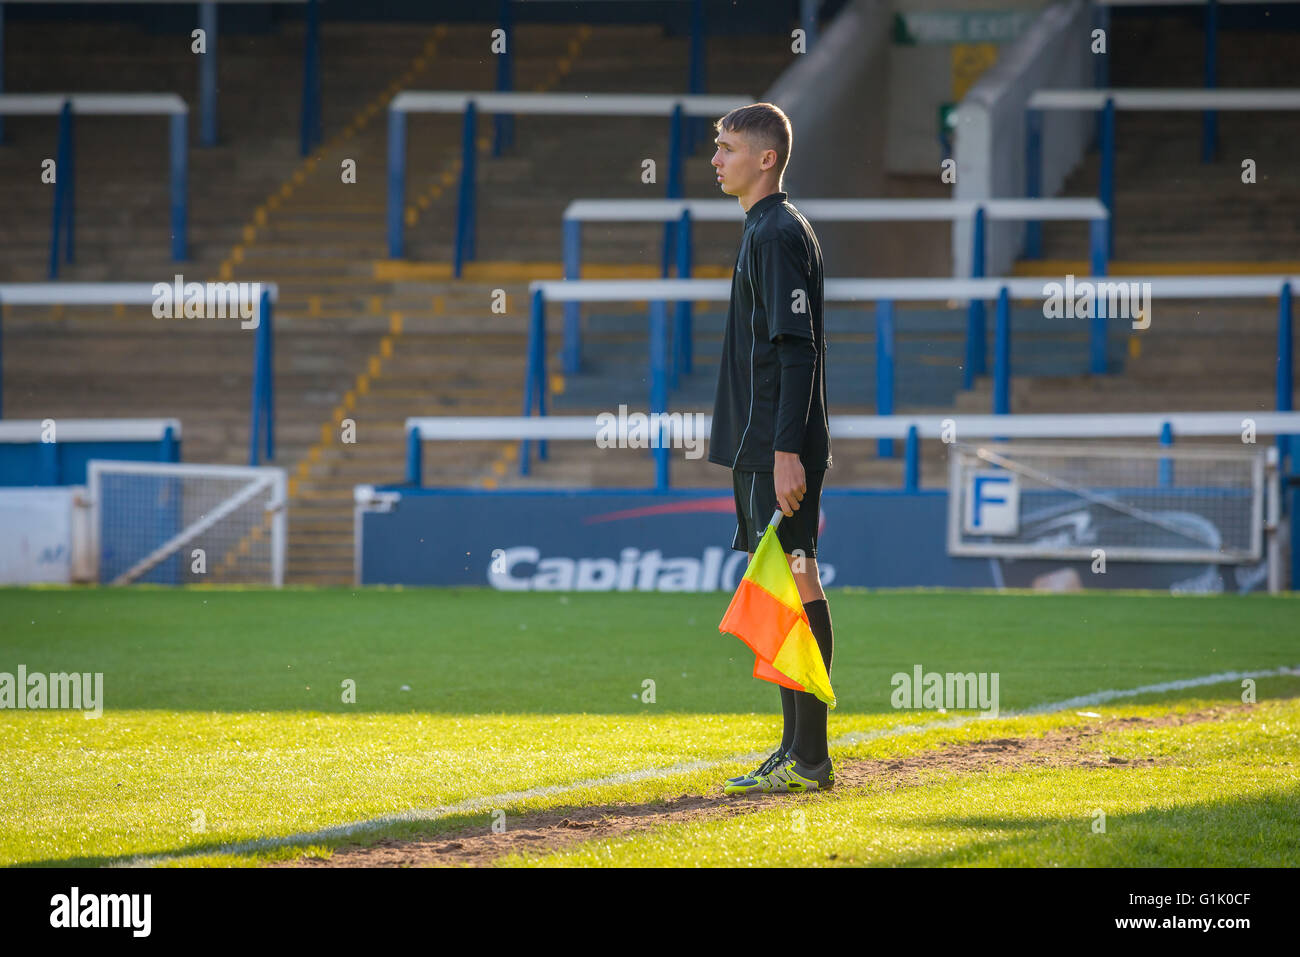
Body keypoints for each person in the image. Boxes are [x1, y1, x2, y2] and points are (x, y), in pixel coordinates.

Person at [708, 102, 835, 795]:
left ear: (765, 159)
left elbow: (796, 348)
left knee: (786, 584)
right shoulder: (768, 228)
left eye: (727, 148)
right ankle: (802, 750)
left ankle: (806, 755)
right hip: (768, 444)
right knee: (794, 578)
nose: (716, 159)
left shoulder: (777, 232)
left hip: (772, 447)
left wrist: (785, 450)